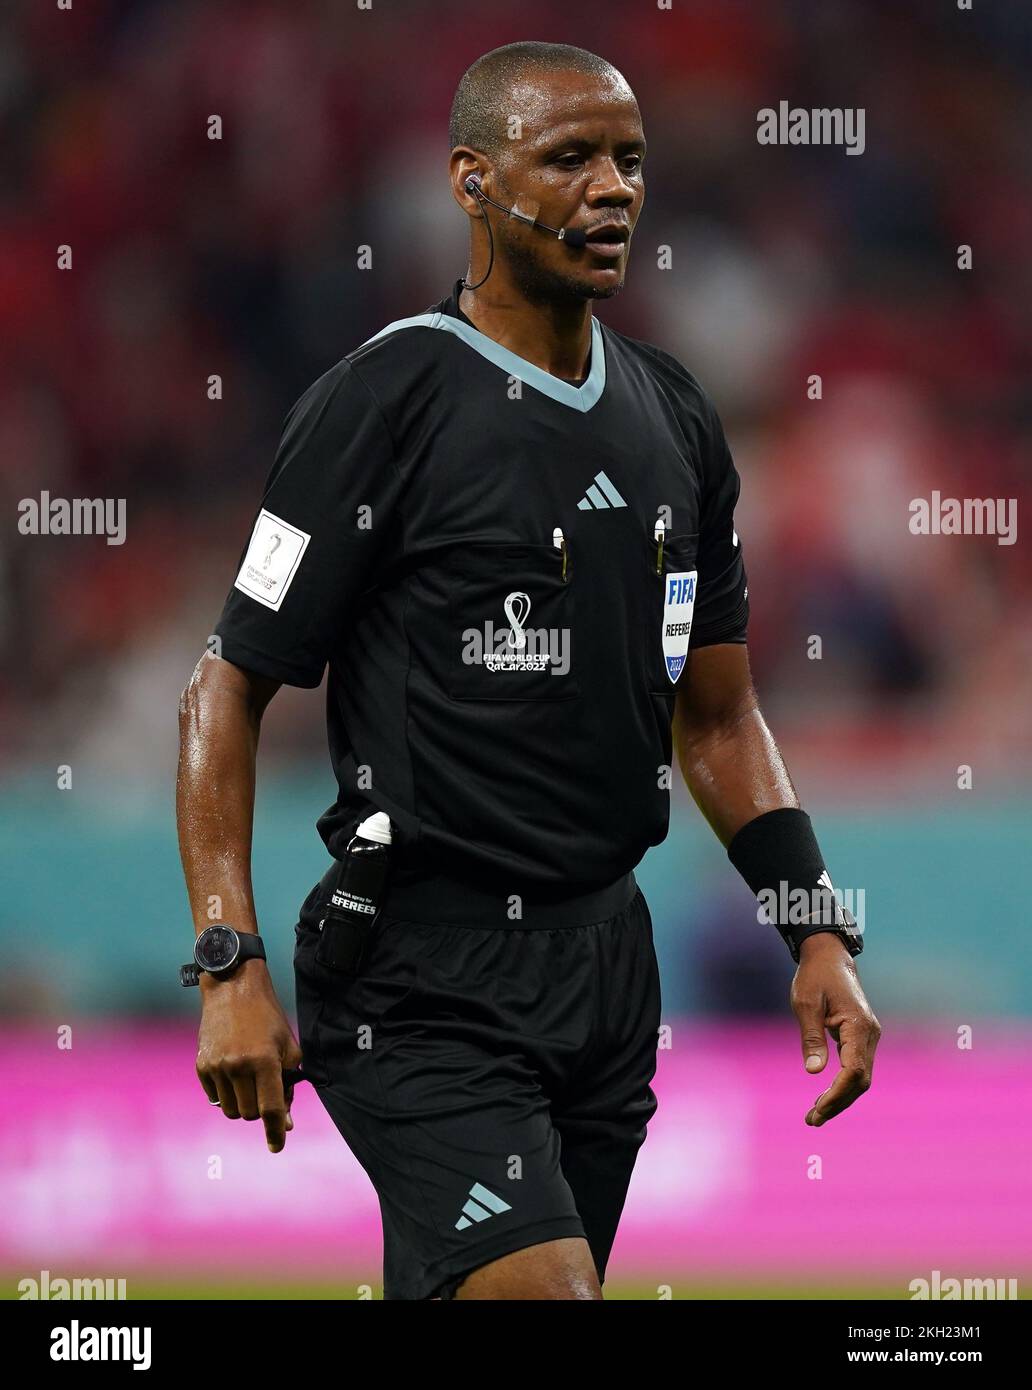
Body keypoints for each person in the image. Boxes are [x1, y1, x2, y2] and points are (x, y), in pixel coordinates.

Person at [176, 40, 881, 1301]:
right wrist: (229, 960)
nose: (612, 188)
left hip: (607, 969)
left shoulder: (676, 416)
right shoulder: (381, 402)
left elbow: (720, 717)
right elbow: (223, 687)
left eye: (629, 161)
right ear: (473, 180)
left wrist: (812, 925)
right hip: (418, 973)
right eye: (569, 158)